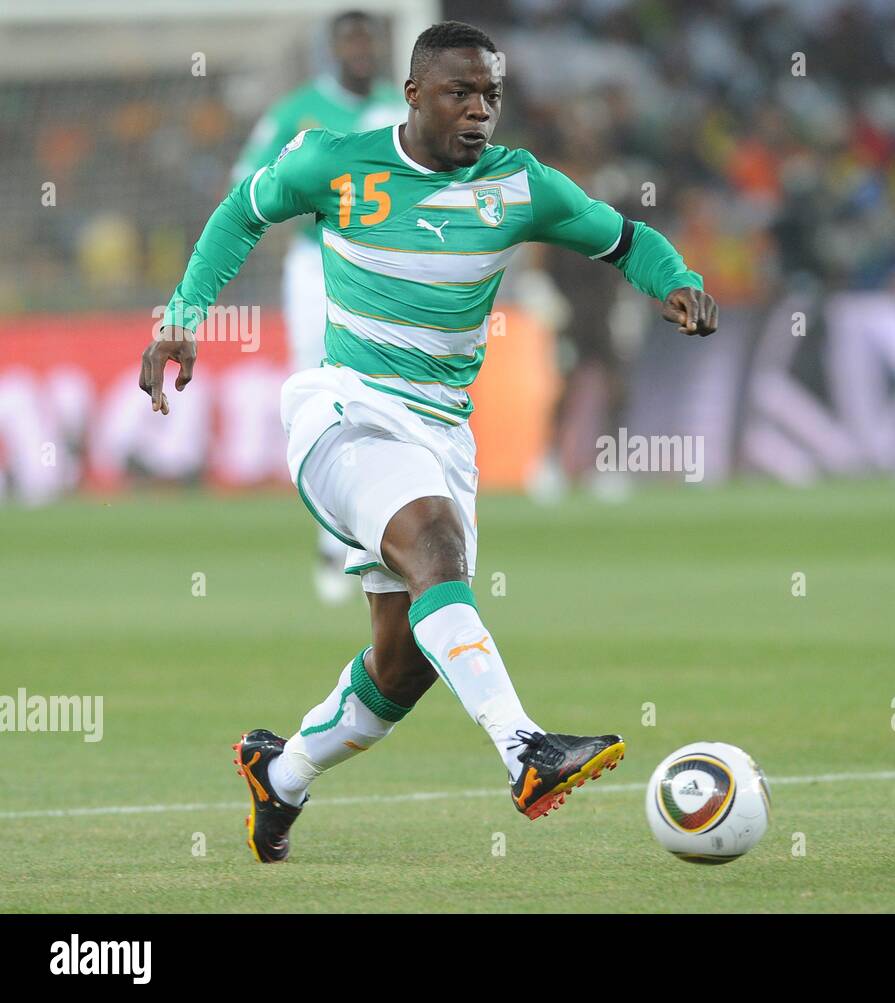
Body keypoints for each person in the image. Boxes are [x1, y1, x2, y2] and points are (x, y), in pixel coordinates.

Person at [139, 20, 718, 863]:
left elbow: (626, 240)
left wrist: (679, 282)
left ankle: (283, 774)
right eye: (460, 93)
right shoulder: (334, 162)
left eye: (490, 95)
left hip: (441, 434)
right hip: (345, 409)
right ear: (414, 96)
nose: (480, 111)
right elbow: (241, 210)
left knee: (402, 663)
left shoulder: (521, 186)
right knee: (436, 548)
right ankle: (526, 750)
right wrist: (184, 316)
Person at [232, 10, 408, 604]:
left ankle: (383, 530)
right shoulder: (297, 113)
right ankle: (333, 541)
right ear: (332, 50)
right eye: (350, 40)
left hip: (386, 268)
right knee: (322, 388)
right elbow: (246, 182)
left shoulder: (400, 108)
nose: (361, 49)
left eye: (368, 39)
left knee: (381, 390)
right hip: (316, 265)